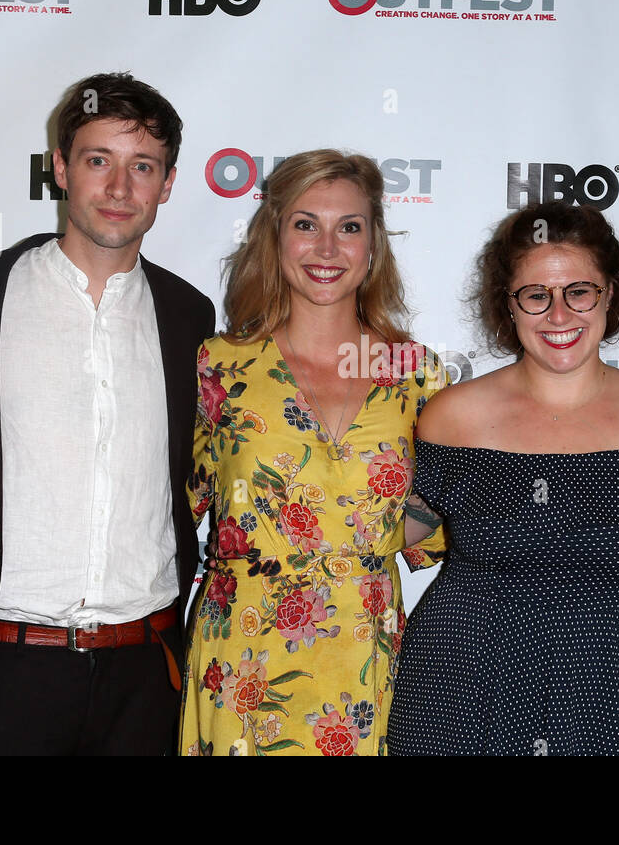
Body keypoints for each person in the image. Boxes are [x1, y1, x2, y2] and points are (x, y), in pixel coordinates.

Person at [0, 73, 214, 755]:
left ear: (168, 184)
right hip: (3, 668)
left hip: (146, 670)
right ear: (59, 167)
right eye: (98, 160)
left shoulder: (189, 315)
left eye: (143, 166)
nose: (119, 188)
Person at [182, 149, 447, 756]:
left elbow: (446, 512)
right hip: (243, 660)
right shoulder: (217, 367)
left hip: (365, 663)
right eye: (306, 224)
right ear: (273, 237)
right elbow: (172, 503)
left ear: (373, 244)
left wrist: (378, 534)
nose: (327, 248)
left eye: (348, 227)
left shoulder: (416, 373)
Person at [386, 201, 619, 756]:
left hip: (613, 697)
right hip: (462, 691)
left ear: (610, 294)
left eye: (579, 292)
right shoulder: (452, 415)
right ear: (509, 303)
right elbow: (402, 525)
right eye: (536, 295)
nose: (559, 315)